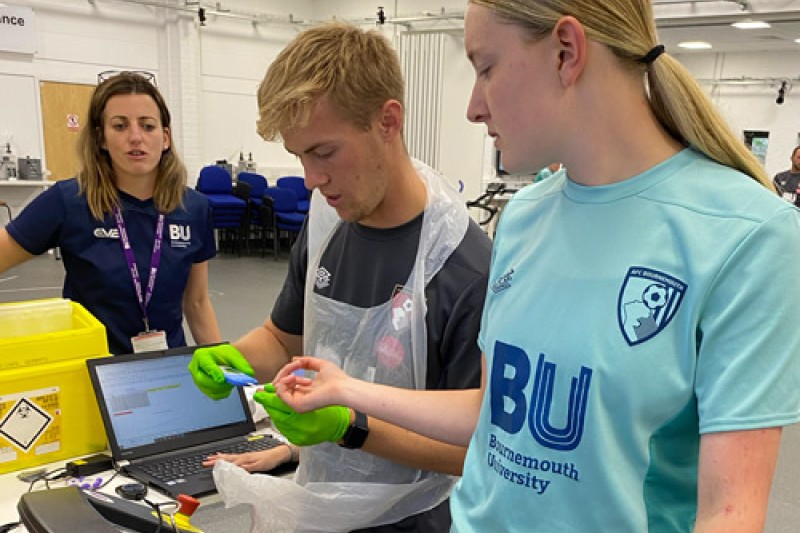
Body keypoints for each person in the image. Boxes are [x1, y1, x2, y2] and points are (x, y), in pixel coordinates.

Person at [270, 2, 800, 533]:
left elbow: (729, 514)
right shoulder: (524, 217)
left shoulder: (747, 237)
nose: (474, 108)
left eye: (485, 68)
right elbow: (492, 409)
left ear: (566, 53)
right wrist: (347, 390)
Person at [189, 21, 491, 533]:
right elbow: (284, 338)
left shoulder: (460, 265)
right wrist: (238, 356)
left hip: (416, 518)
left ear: (388, 121)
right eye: (299, 156)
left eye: (324, 152)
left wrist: (350, 428)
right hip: (322, 499)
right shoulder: (329, 221)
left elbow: (474, 450)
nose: (310, 178)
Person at [0, 72, 222, 355]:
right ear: (101, 138)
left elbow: (197, 302)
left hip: (167, 369)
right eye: (119, 126)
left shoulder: (194, 208)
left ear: (165, 137)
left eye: (148, 125)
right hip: (91, 369)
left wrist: (223, 363)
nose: (136, 137)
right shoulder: (69, 201)